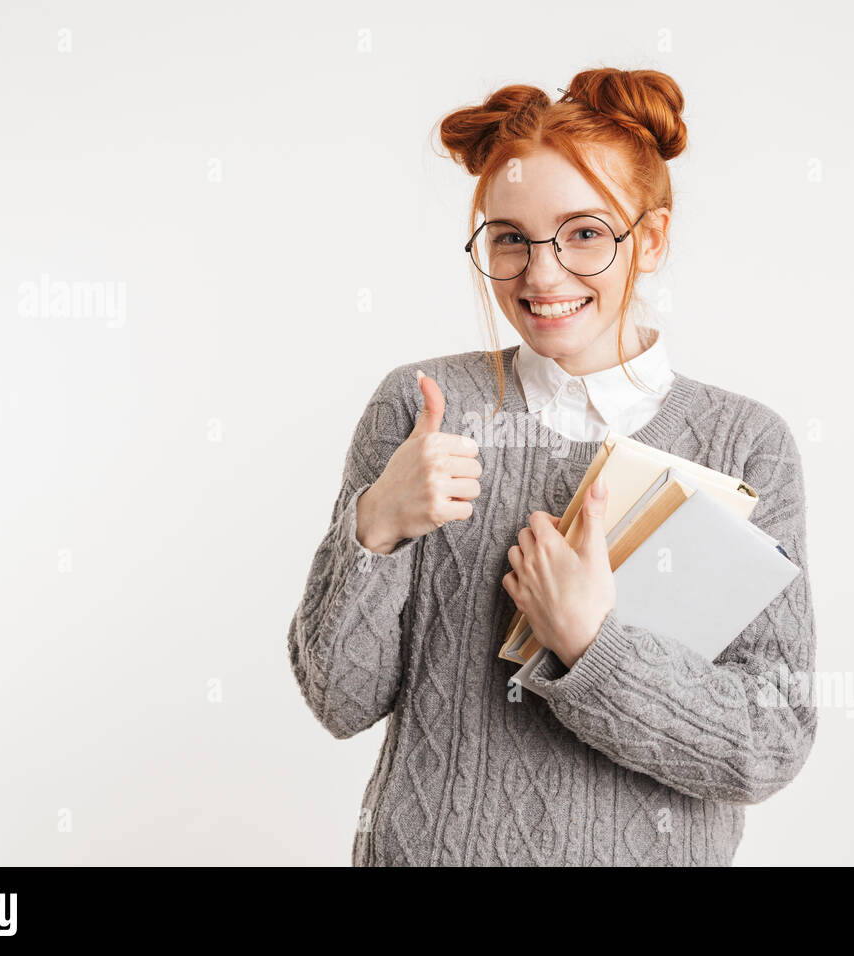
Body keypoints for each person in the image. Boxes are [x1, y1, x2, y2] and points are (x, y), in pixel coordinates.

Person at [287, 67, 817, 866]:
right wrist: (377, 527)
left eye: (583, 233)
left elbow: (769, 741)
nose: (541, 274)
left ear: (650, 239)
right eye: (510, 237)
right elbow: (337, 698)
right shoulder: (424, 406)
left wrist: (589, 645)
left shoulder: (745, 442)